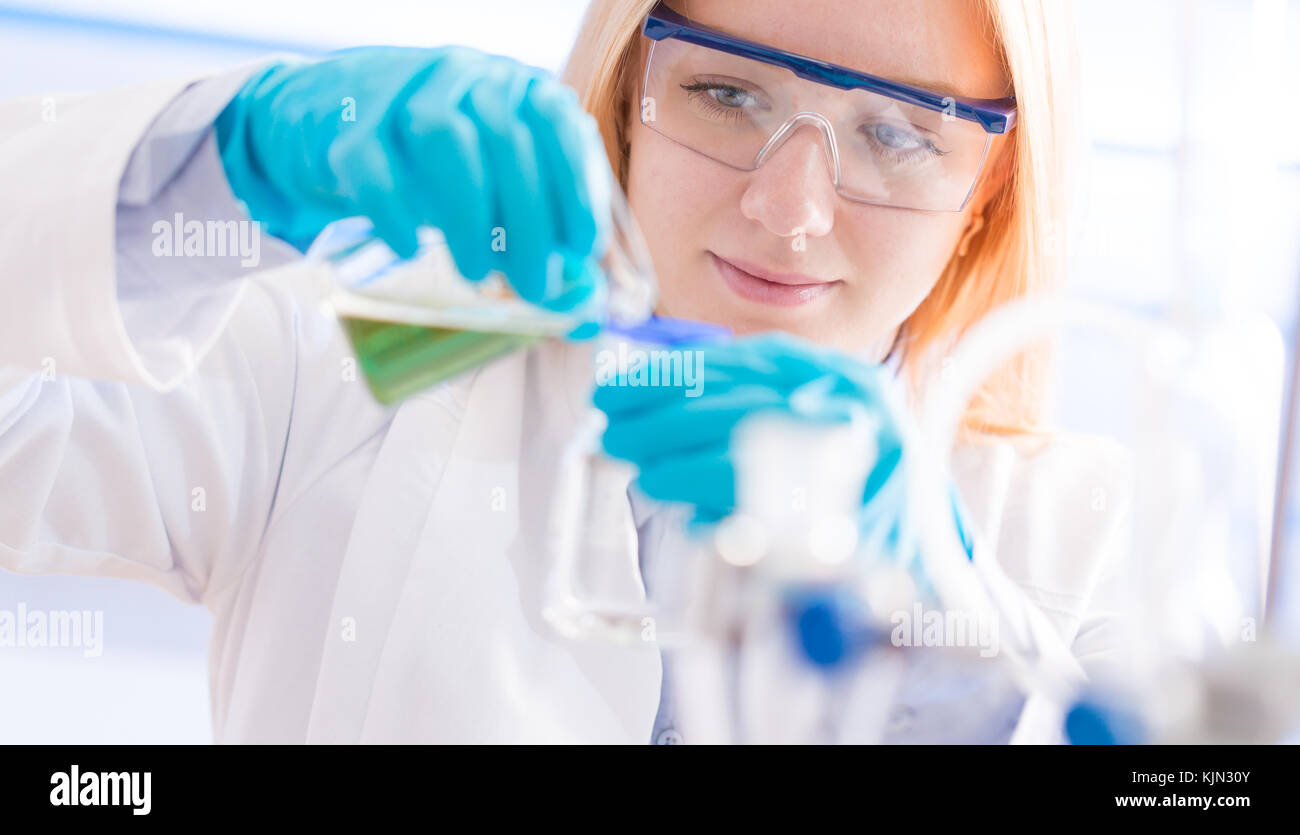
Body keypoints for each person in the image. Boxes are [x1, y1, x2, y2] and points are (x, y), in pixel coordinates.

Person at [0, 0, 1130, 743]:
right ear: (633, 93)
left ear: (985, 190)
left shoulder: (1084, 532)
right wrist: (208, 168)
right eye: (726, 95)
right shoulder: (355, 365)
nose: (787, 211)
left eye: (898, 133)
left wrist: (950, 654)